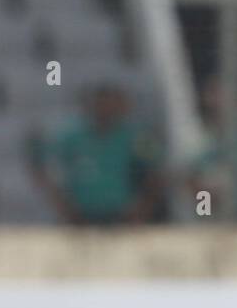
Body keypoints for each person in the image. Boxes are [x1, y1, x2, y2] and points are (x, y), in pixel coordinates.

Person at [30, 85, 162, 226]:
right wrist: (64, 208)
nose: (105, 110)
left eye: (110, 105)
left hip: (122, 217)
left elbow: (159, 173)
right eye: (100, 104)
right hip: (79, 218)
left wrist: (142, 210)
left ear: (121, 107)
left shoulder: (137, 136)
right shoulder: (70, 136)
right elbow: (41, 164)